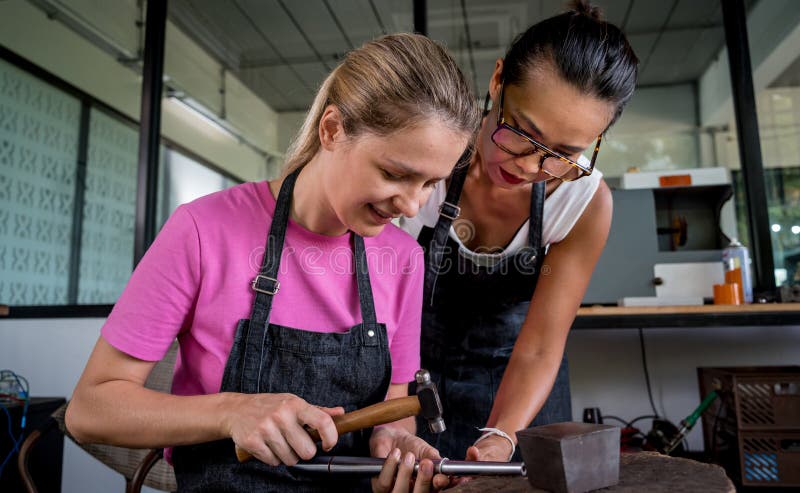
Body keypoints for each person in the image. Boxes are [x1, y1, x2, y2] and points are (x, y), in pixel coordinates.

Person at [65, 33, 478, 493]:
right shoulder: (203, 230)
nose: (409, 203)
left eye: (430, 184)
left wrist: (398, 444)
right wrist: (230, 411)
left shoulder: (404, 260)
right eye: (395, 174)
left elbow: (394, 410)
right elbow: (89, 410)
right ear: (332, 130)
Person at [400, 0, 639, 466]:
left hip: (523, 385)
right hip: (418, 385)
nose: (531, 167)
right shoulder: (427, 158)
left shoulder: (583, 201)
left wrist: (503, 436)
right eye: (522, 133)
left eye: (563, 154)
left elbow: (540, 346)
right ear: (497, 81)